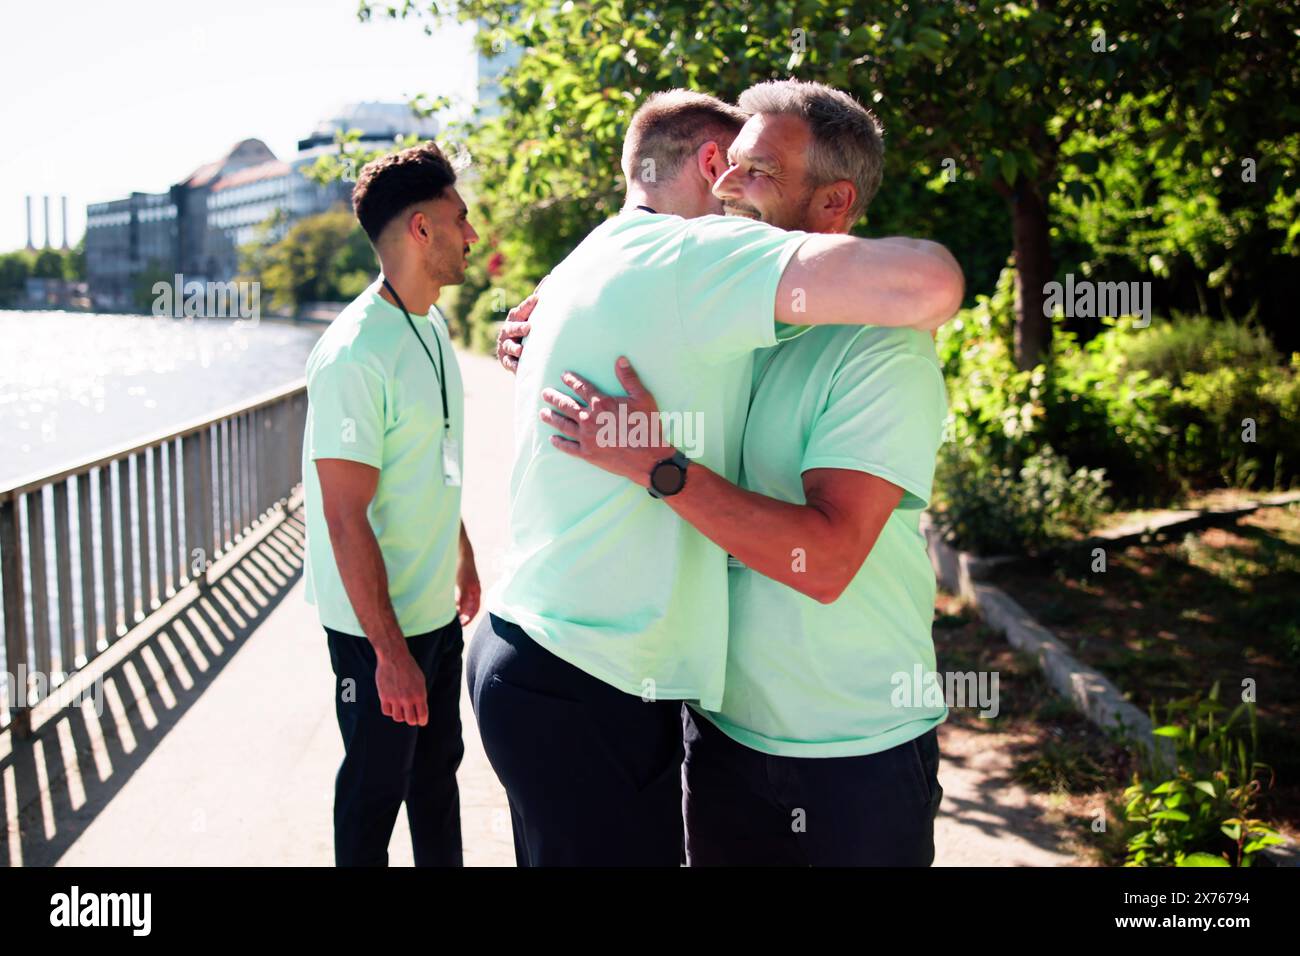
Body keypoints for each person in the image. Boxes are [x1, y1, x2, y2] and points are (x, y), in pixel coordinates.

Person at [470, 87, 963, 866]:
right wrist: (556, 329)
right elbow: (629, 291)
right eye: (726, 167)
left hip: (847, 755)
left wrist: (662, 470)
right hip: (722, 734)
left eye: (756, 171)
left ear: (833, 202)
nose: (726, 186)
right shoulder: (730, 314)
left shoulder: (879, 349)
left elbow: (825, 560)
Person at [301, 141, 481, 867]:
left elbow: (432, 458)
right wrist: (387, 653)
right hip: (375, 631)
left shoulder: (431, 325)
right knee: (378, 785)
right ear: (421, 229)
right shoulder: (354, 354)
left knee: (437, 779)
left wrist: (461, 553)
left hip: (434, 608)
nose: (473, 235)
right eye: (461, 218)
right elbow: (344, 516)